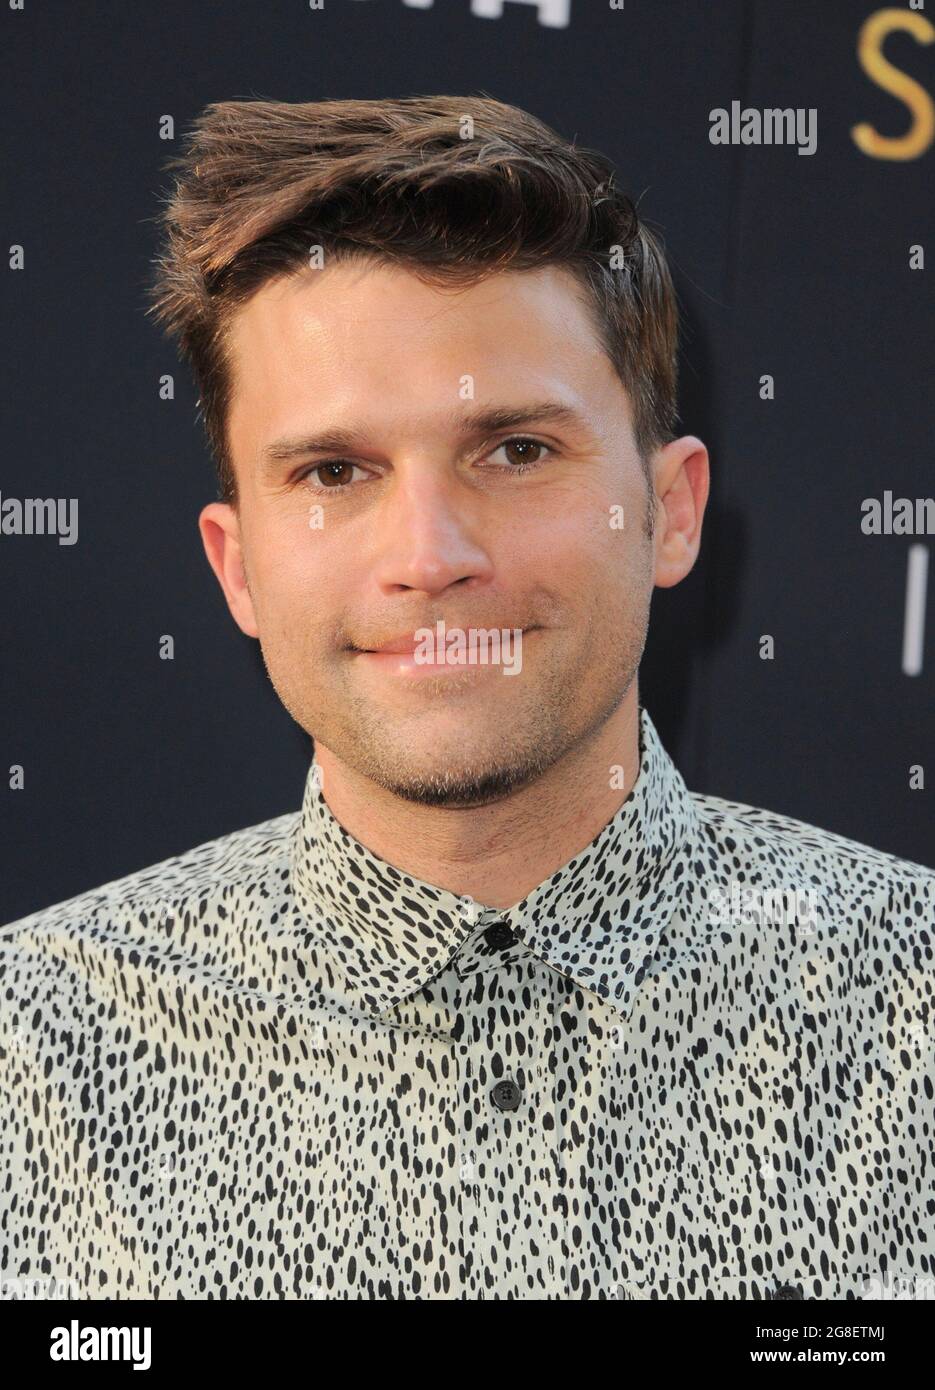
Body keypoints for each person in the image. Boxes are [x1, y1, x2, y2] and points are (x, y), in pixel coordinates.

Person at [1, 95, 932, 1302]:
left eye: (515, 451)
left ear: (674, 510)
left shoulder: (912, 1008)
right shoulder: (32, 1053)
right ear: (237, 566)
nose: (429, 553)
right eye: (333, 472)